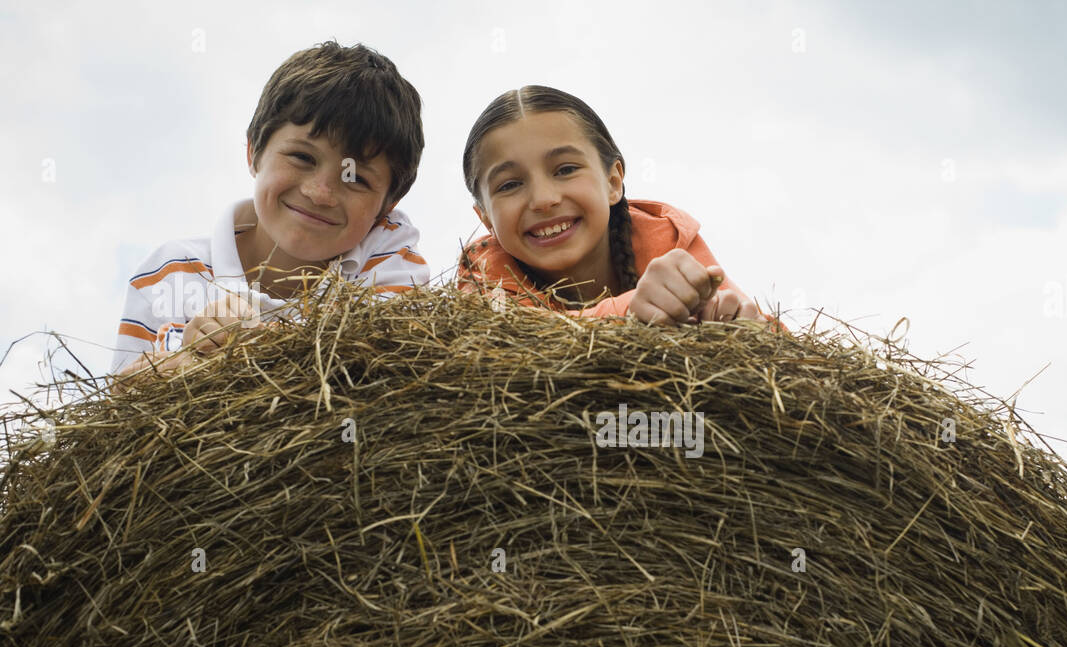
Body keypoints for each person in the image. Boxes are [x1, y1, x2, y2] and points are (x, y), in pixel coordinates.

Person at [110, 41, 427, 392]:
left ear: (389, 203)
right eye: (302, 158)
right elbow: (123, 404)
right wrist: (167, 371)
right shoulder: (167, 274)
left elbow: (390, 363)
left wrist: (248, 349)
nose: (319, 193)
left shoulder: (386, 258)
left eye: (356, 177)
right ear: (253, 152)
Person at [458, 86, 780, 329]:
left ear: (613, 182)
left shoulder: (667, 239)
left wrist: (736, 319)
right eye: (510, 185)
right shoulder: (484, 271)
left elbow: (782, 349)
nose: (544, 199)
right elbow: (511, 339)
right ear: (485, 218)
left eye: (566, 169)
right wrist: (626, 310)